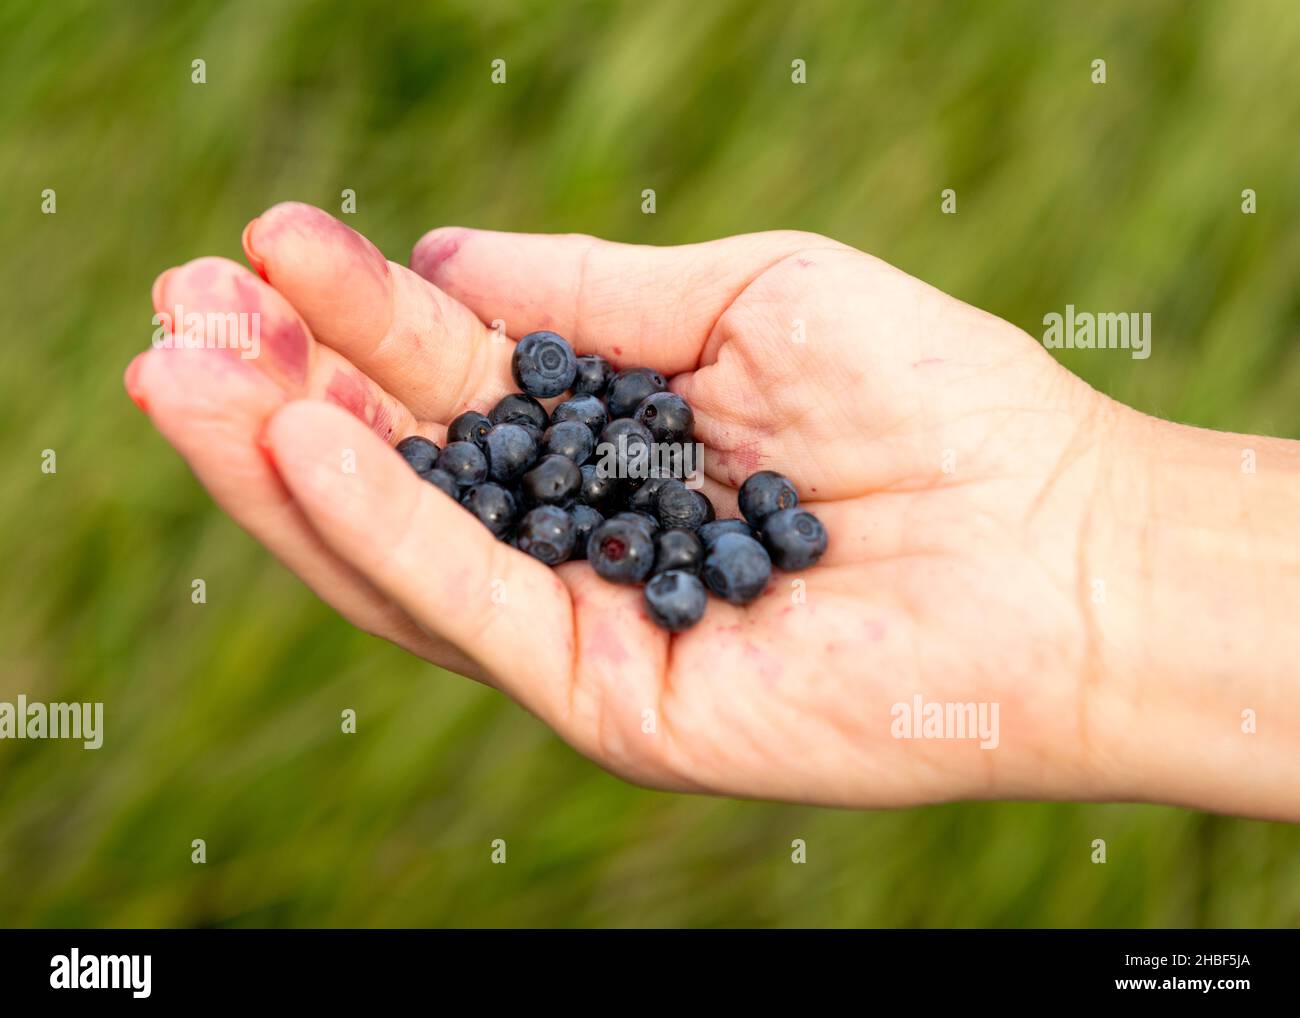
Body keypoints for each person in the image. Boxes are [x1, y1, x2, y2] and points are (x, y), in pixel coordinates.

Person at [125, 202, 1300, 822]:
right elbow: (571, 475)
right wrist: (1107, 528)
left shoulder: (665, 496)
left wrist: (1090, 513)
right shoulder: (574, 454)